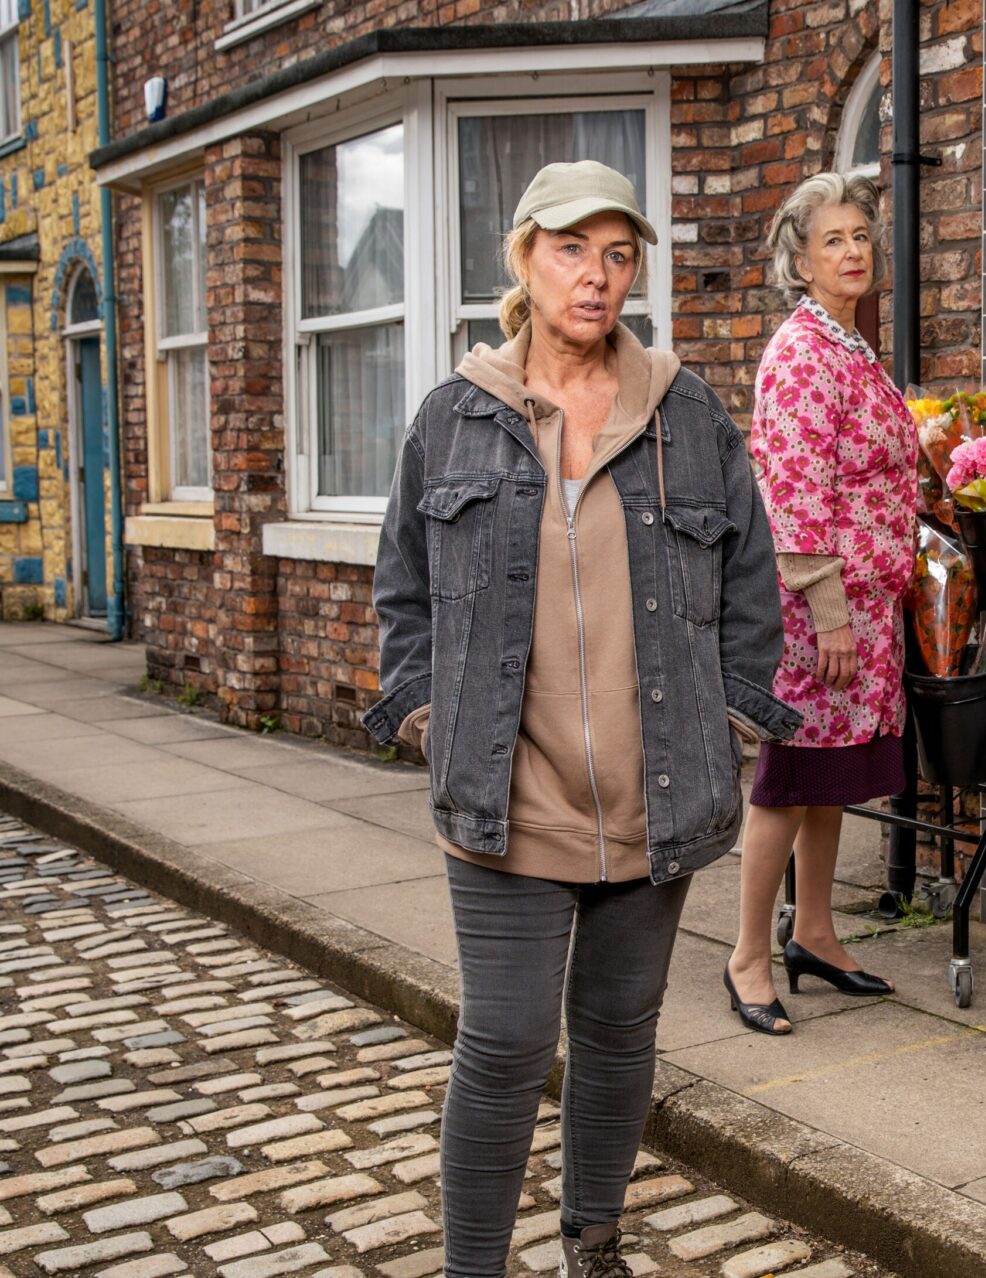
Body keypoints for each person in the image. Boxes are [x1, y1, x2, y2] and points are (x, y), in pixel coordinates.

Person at [362, 159, 798, 1278]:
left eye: (617, 254)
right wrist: (420, 708)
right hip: (507, 797)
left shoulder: (685, 413)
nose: (594, 277)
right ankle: (474, 1267)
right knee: (504, 1041)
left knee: (616, 1040)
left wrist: (734, 718)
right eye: (570, 250)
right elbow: (402, 581)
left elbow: (751, 580)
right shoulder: (453, 417)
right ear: (522, 258)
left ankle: (591, 1240)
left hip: (657, 799)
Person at [726, 172, 919, 1036]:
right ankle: (747, 959)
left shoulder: (850, 344)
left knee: (832, 776)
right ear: (799, 262)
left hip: (867, 604)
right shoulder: (803, 353)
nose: (852, 252)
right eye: (832, 240)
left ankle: (813, 933)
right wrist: (831, 610)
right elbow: (793, 495)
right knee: (790, 776)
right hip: (819, 608)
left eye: (860, 237)